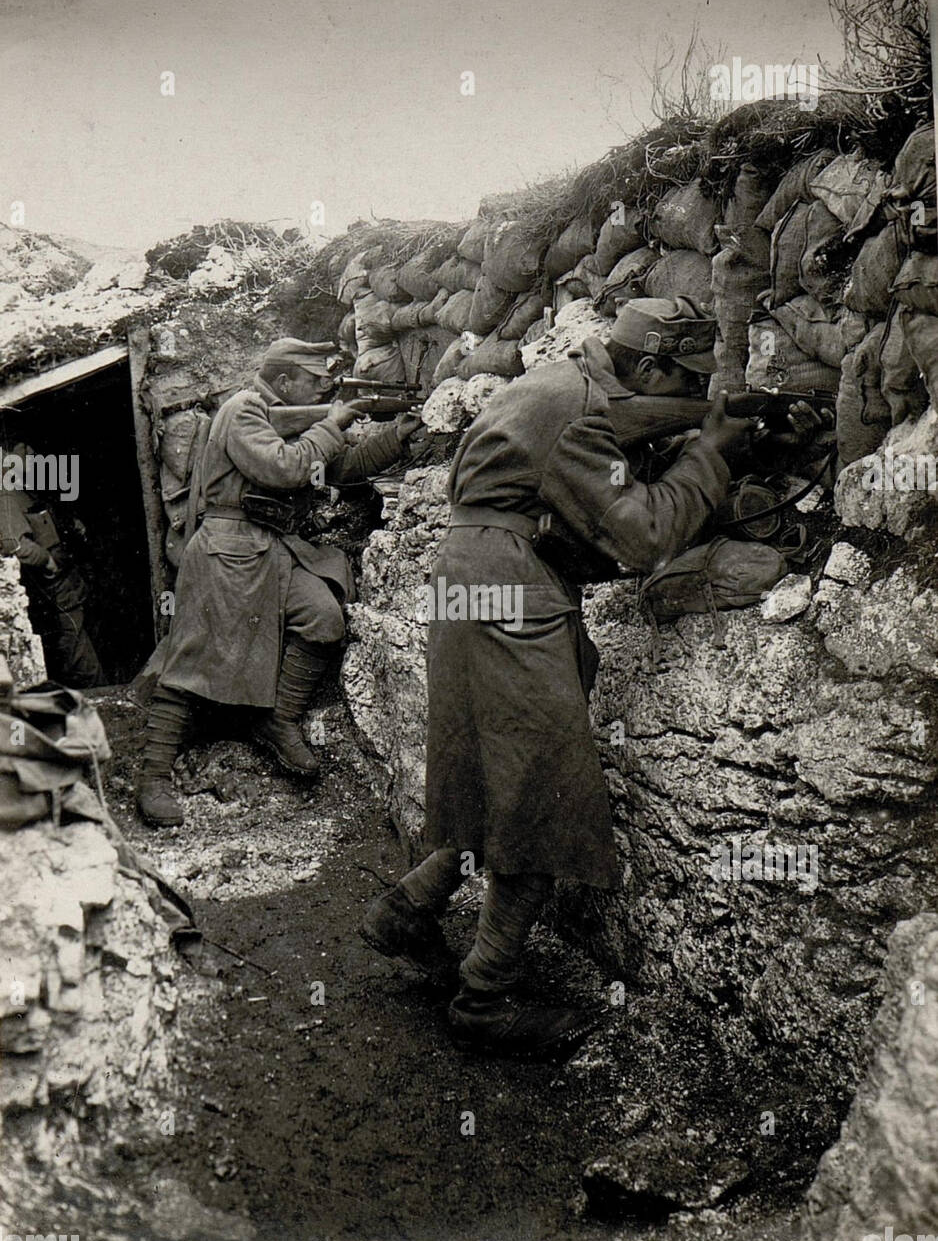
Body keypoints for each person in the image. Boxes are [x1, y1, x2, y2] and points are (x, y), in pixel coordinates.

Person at [361, 298, 758, 1058]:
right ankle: (485, 996)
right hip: (510, 584)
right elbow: (644, 535)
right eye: (687, 378)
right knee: (546, 787)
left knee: (496, 772)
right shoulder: (583, 414)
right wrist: (712, 452)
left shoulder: (559, 380)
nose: (695, 391)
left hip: (478, 573)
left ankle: (406, 910)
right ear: (648, 367)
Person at [137, 338, 423, 826]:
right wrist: (334, 422)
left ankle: (278, 719)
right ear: (285, 380)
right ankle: (154, 777)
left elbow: (341, 468)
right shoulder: (243, 409)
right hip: (227, 546)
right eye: (314, 381)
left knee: (324, 618)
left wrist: (396, 434)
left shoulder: (295, 421)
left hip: (274, 546)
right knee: (193, 658)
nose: (324, 387)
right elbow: (284, 468)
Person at [0, 447, 105, 689]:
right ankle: (99, 704)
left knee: (79, 648)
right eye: (25, 450)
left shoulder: (28, 488)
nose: (34, 455)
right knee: (79, 658)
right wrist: (47, 561)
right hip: (54, 591)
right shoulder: (7, 494)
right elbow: (14, 544)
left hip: (70, 585)